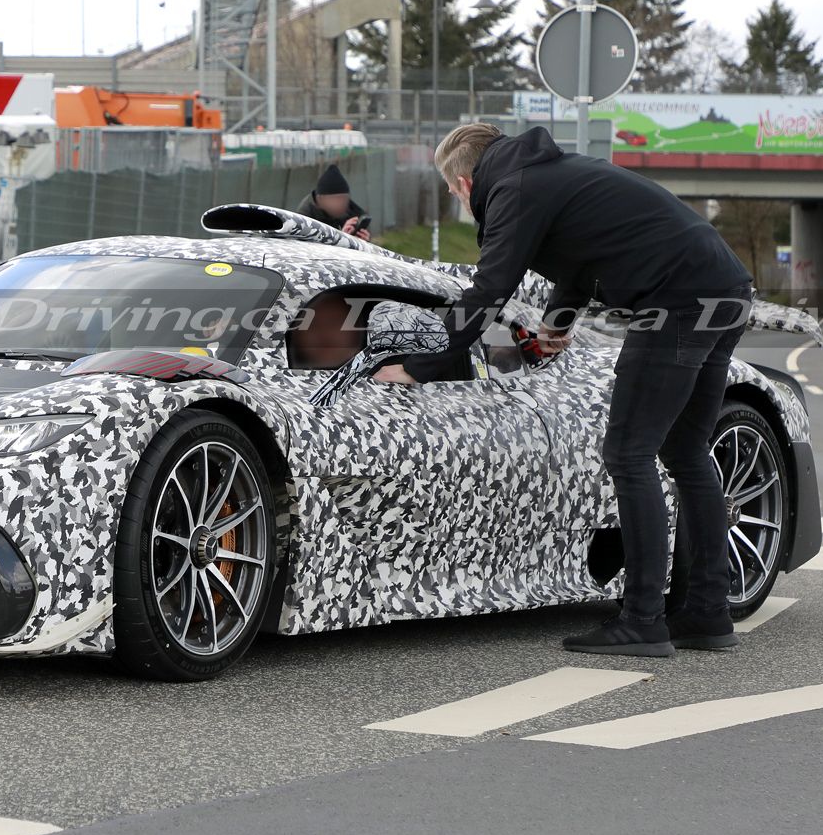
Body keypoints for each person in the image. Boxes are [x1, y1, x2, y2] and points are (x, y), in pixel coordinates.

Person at [374, 123, 754, 657]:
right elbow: (579, 259)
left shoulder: (512, 190)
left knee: (630, 452)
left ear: (462, 181)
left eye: (452, 190)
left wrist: (418, 366)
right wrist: (557, 323)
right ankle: (707, 614)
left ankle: (643, 619)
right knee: (687, 451)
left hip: (676, 301)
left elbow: (489, 288)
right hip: (725, 287)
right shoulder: (548, 175)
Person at [297, 163, 373, 239]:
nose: (341, 205)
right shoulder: (304, 219)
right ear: (320, 200)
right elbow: (306, 247)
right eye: (336, 200)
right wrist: (340, 238)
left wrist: (363, 243)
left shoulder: (354, 213)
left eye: (344, 199)